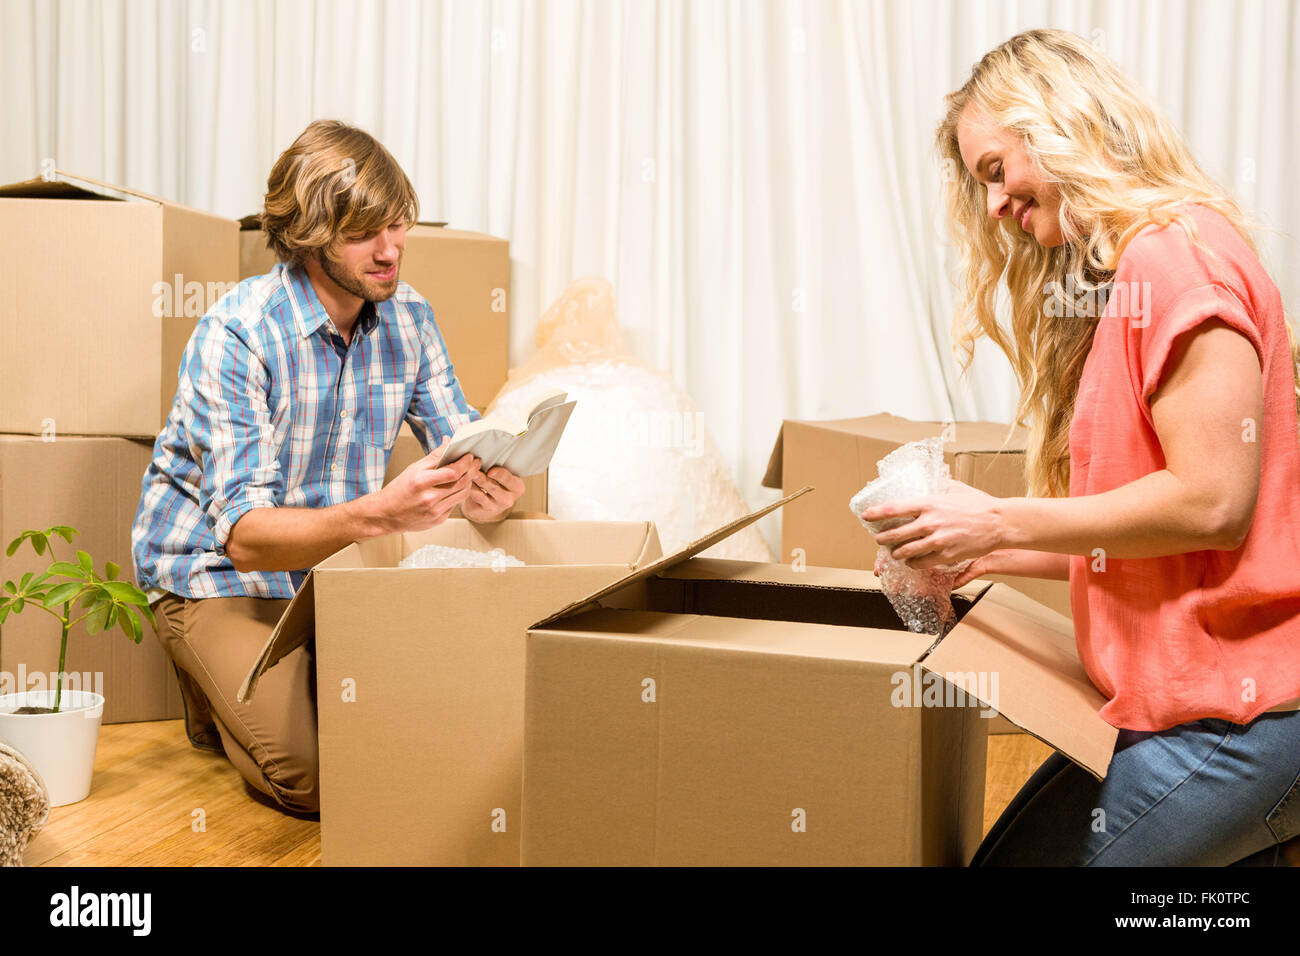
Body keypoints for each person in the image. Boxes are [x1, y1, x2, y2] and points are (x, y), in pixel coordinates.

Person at [861, 29, 1300, 865]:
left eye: (996, 170)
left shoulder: (1176, 259)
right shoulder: (1133, 272)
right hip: (1172, 704)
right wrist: (973, 556)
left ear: (1060, 123)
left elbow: (1212, 504)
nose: (993, 206)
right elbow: (1145, 543)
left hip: (1248, 717)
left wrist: (996, 523)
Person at [130, 119, 526, 814]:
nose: (390, 249)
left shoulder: (409, 318)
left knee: (425, 742)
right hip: (217, 575)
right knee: (317, 783)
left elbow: (460, 440)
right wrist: (383, 514)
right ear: (310, 239)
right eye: (362, 232)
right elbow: (246, 537)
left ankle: (260, 691)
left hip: (333, 571)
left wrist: (486, 491)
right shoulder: (238, 333)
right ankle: (211, 686)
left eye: (396, 223)